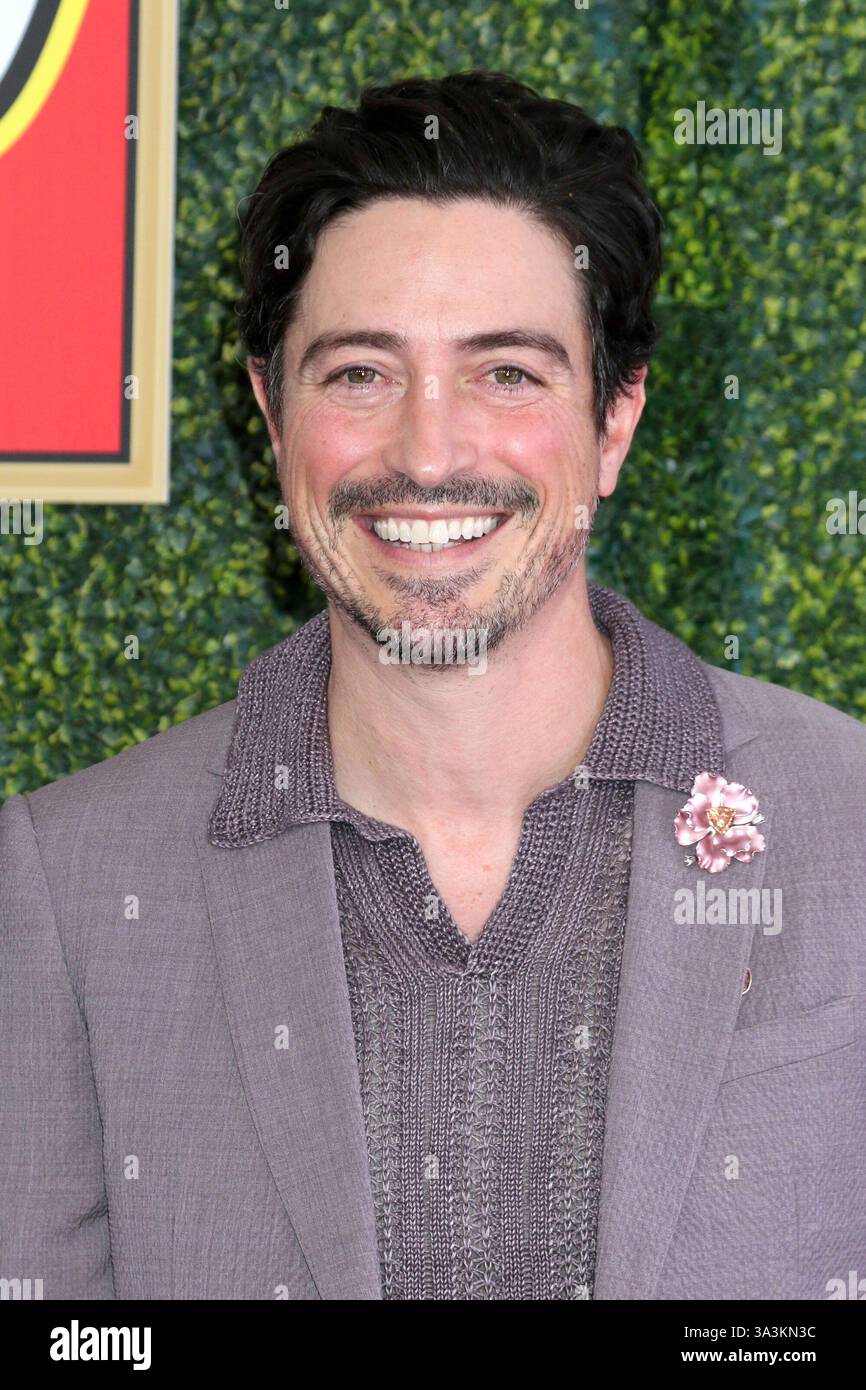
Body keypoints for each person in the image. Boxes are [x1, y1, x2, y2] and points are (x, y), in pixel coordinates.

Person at [1, 71, 863, 1302]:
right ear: (269, 408)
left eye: (505, 373)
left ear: (614, 419)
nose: (426, 450)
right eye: (358, 373)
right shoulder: (62, 886)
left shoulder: (848, 822)